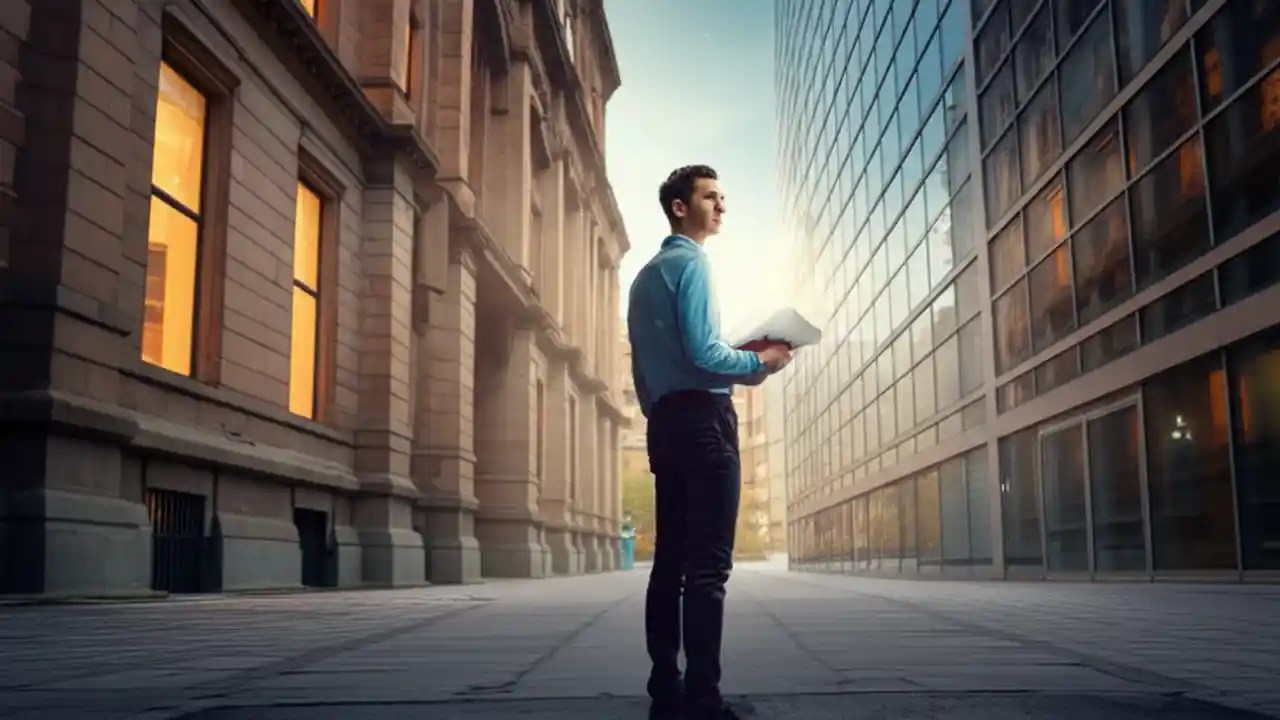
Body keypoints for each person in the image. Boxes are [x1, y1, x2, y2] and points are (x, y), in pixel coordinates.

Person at [626, 165, 793, 719]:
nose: (721, 206)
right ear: (679, 207)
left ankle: (664, 685)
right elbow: (703, 351)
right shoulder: (692, 264)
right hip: (704, 421)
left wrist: (663, 411)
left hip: (665, 424)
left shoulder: (644, 277)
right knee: (708, 569)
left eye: (724, 196)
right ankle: (703, 695)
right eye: (710, 197)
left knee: (668, 564)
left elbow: (645, 374)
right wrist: (758, 362)